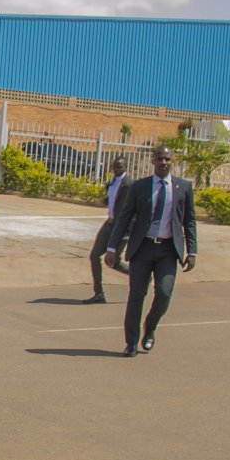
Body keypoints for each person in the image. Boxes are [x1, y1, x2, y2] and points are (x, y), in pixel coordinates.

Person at [105, 145, 197, 357]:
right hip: (142, 248)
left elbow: (189, 221)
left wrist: (192, 251)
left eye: (167, 159)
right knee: (137, 295)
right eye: (159, 158)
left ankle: (151, 327)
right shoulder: (140, 187)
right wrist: (112, 247)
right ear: (152, 161)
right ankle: (131, 343)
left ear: (171, 161)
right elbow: (124, 218)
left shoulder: (183, 187)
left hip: (167, 250)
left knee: (164, 294)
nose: (163, 162)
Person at [82, 156, 132, 304]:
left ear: (125, 168)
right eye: (115, 167)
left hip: (121, 228)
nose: (117, 170)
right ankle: (99, 293)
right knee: (94, 256)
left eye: (120, 167)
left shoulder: (129, 184)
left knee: (113, 262)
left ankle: (140, 276)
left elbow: (132, 209)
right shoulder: (111, 182)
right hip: (109, 224)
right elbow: (112, 200)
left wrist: (127, 231)